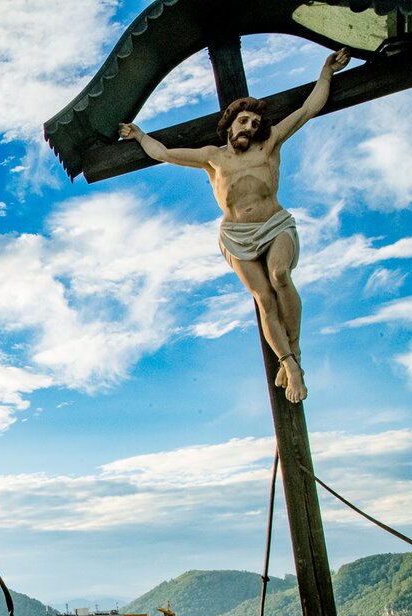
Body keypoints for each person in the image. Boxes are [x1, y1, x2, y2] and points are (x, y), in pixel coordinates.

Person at [119, 48, 350, 403]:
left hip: (274, 225)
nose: (250, 127)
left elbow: (308, 109)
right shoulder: (212, 157)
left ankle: (295, 353)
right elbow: (163, 153)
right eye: (244, 121)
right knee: (263, 298)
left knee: (280, 277)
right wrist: (138, 135)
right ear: (230, 124)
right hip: (236, 236)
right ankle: (287, 364)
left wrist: (326, 71)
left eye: (255, 124)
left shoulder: (269, 146)